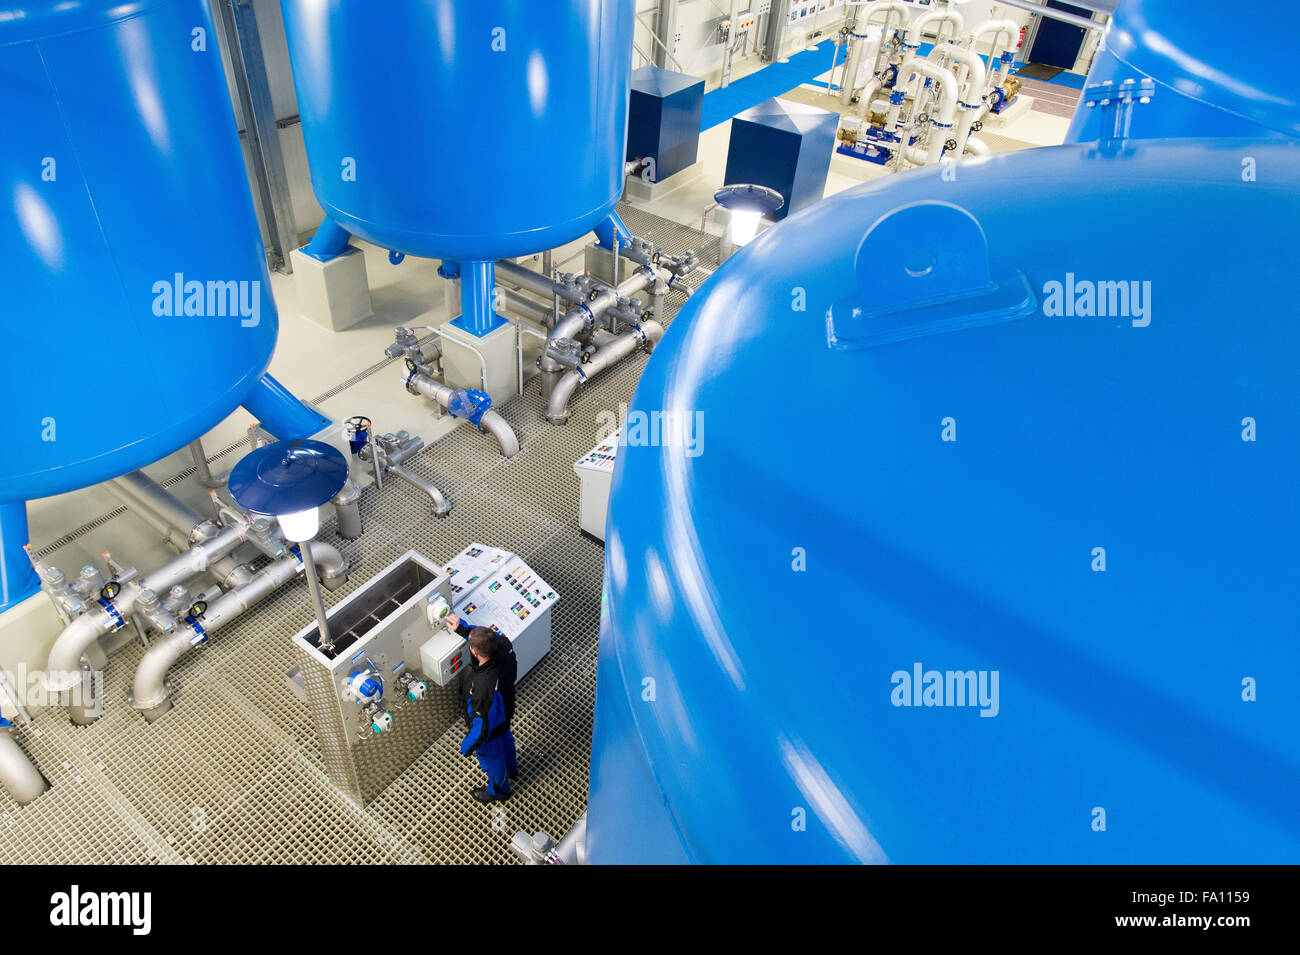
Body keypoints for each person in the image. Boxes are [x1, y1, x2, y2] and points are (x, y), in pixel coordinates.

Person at [445, 613, 519, 785]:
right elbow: (482, 637)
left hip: (491, 727)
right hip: (506, 709)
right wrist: (462, 628)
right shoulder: (503, 645)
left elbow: (482, 727)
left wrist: (467, 746)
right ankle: (513, 770)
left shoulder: (482, 686)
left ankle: (499, 790)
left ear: (474, 652)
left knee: (492, 759)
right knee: (506, 739)